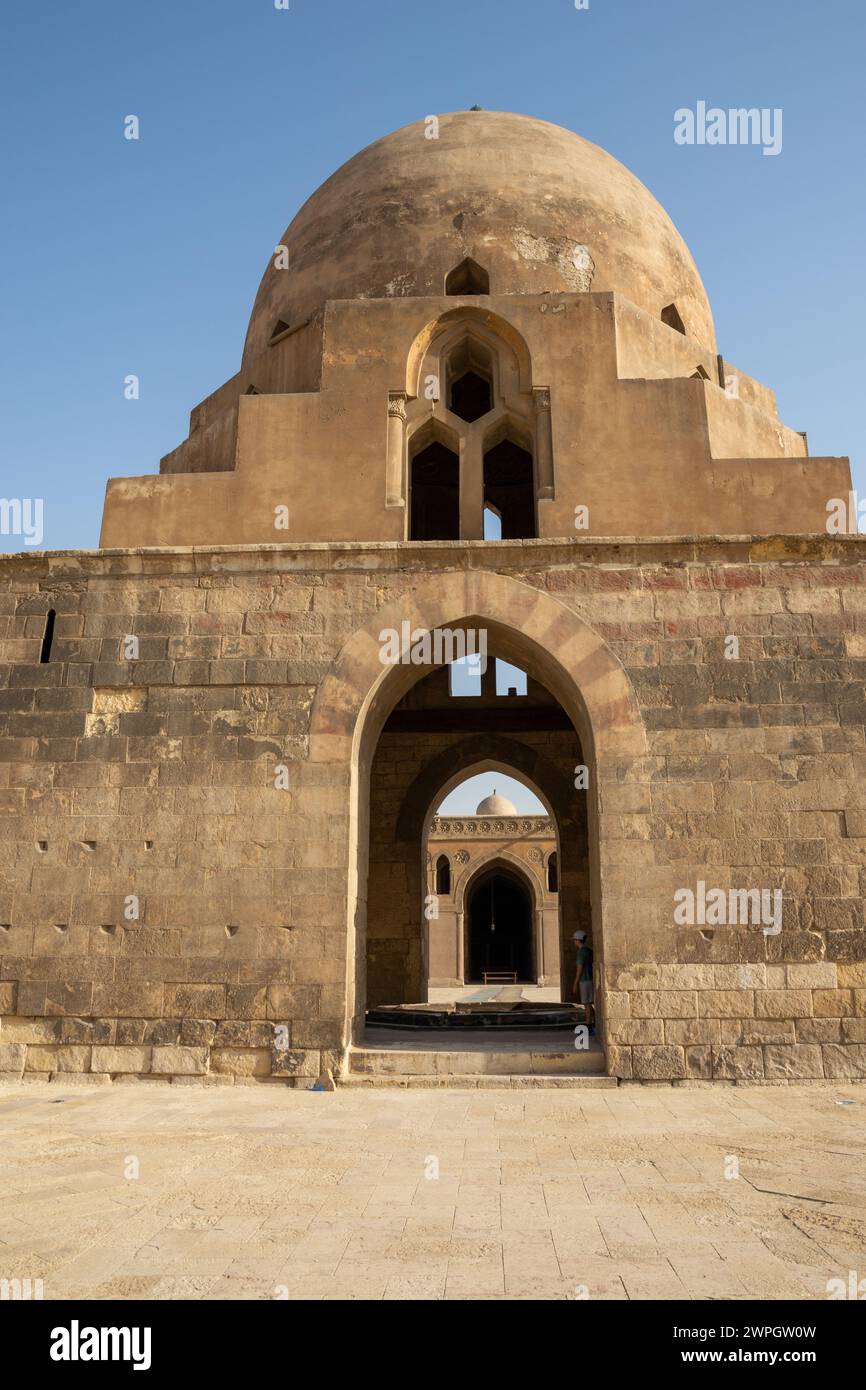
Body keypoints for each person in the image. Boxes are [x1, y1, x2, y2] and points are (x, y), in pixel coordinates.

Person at [572, 930, 594, 1034]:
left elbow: (579, 969)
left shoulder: (580, 953)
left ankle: (588, 1026)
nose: (574, 942)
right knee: (589, 1003)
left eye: (575, 940)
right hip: (591, 978)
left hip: (585, 980)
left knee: (586, 1004)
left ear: (578, 940)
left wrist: (575, 983)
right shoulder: (589, 951)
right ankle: (593, 1024)